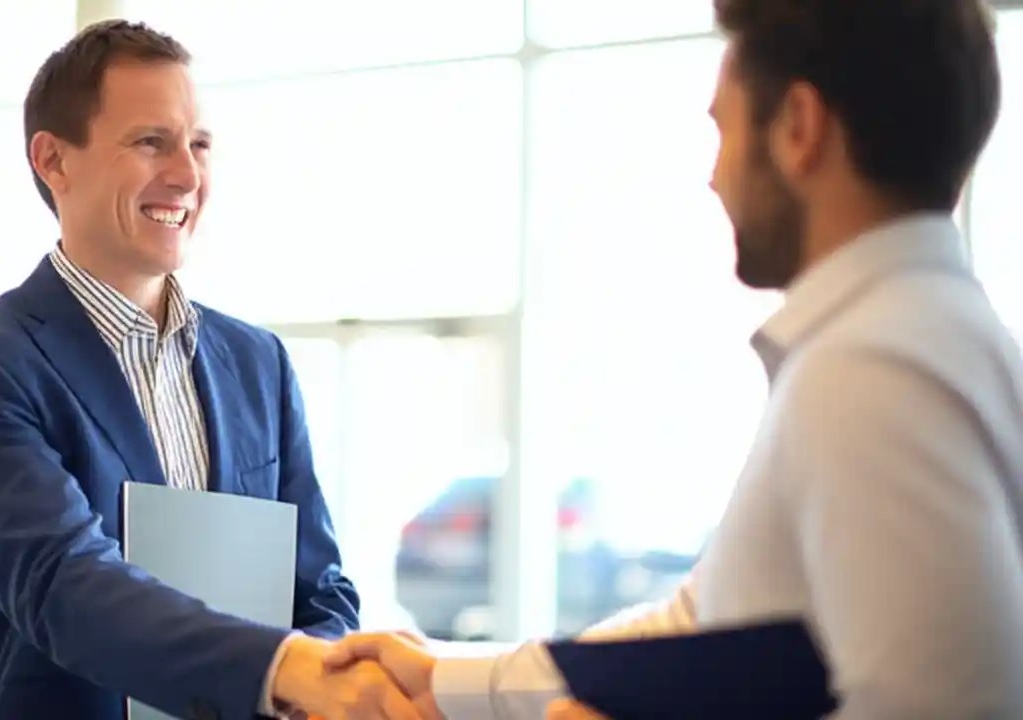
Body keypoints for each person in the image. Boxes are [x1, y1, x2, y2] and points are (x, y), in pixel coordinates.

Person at [326, 0, 1023, 718]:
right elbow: (711, 620)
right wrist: (446, 681)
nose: (715, 177)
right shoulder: (937, 340)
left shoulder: (871, 368)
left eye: (723, 130)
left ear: (798, 128)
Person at [0, 19, 430, 720]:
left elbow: (317, 586)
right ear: (54, 160)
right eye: (151, 142)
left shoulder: (258, 364)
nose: (187, 175)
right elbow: (64, 584)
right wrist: (288, 670)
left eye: (199, 144)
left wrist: (329, 670)